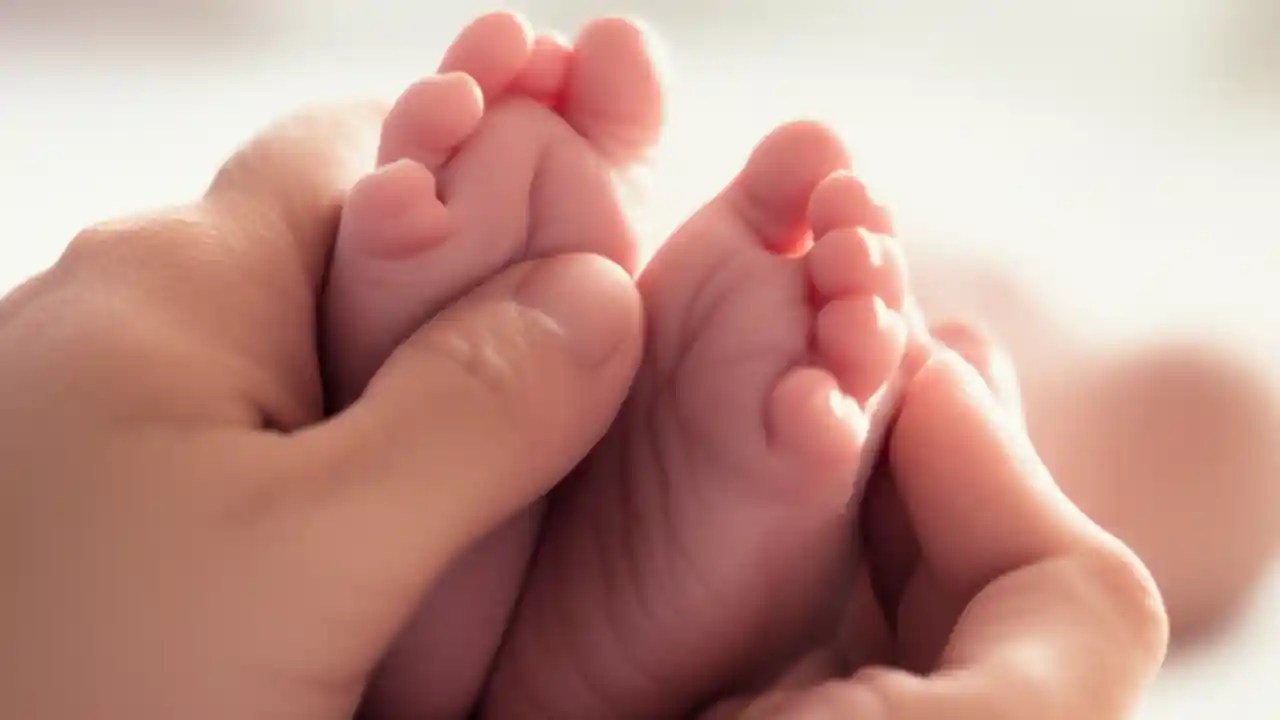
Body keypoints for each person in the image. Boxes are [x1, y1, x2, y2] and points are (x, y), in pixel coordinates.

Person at [0, 84, 1167, 720]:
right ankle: (654, 586)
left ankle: (437, 610)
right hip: (938, 368)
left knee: (881, 347)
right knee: (1136, 422)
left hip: (140, 600)